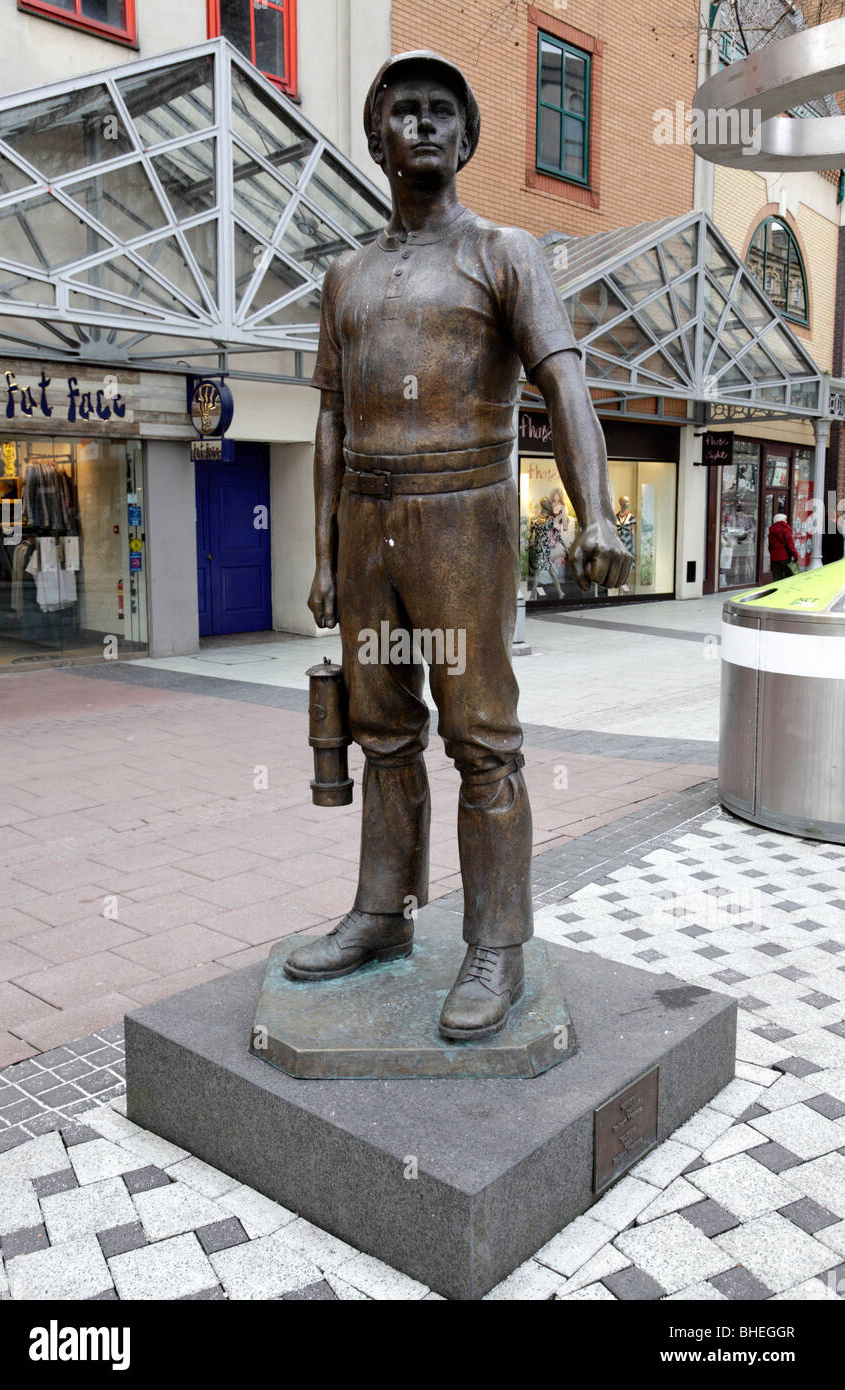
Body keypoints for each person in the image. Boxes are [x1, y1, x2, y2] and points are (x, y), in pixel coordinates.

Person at [283, 50, 631, 1040]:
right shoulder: (343, 275)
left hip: (463, 521)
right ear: (377, 135)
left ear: (468, 139)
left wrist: (596, 514)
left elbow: (563, 383)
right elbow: (329, 421)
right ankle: (383, 914)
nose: (424, 126)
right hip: (366, 527)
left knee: (481, 738)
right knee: (381, 732)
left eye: (443, 112)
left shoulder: (506, 251)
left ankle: (496, 942)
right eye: (405, 111)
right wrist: (320, 554)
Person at [769, 511, 798, 581]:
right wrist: (795, 555)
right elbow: (790, 544)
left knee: (777, 577)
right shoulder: (785, 529)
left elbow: (770, 545)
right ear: (782, 520)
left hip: (774, 557)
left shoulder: (771, 530)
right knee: (789, 576)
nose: (786, 521)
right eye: (785, 519)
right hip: (785, 557)